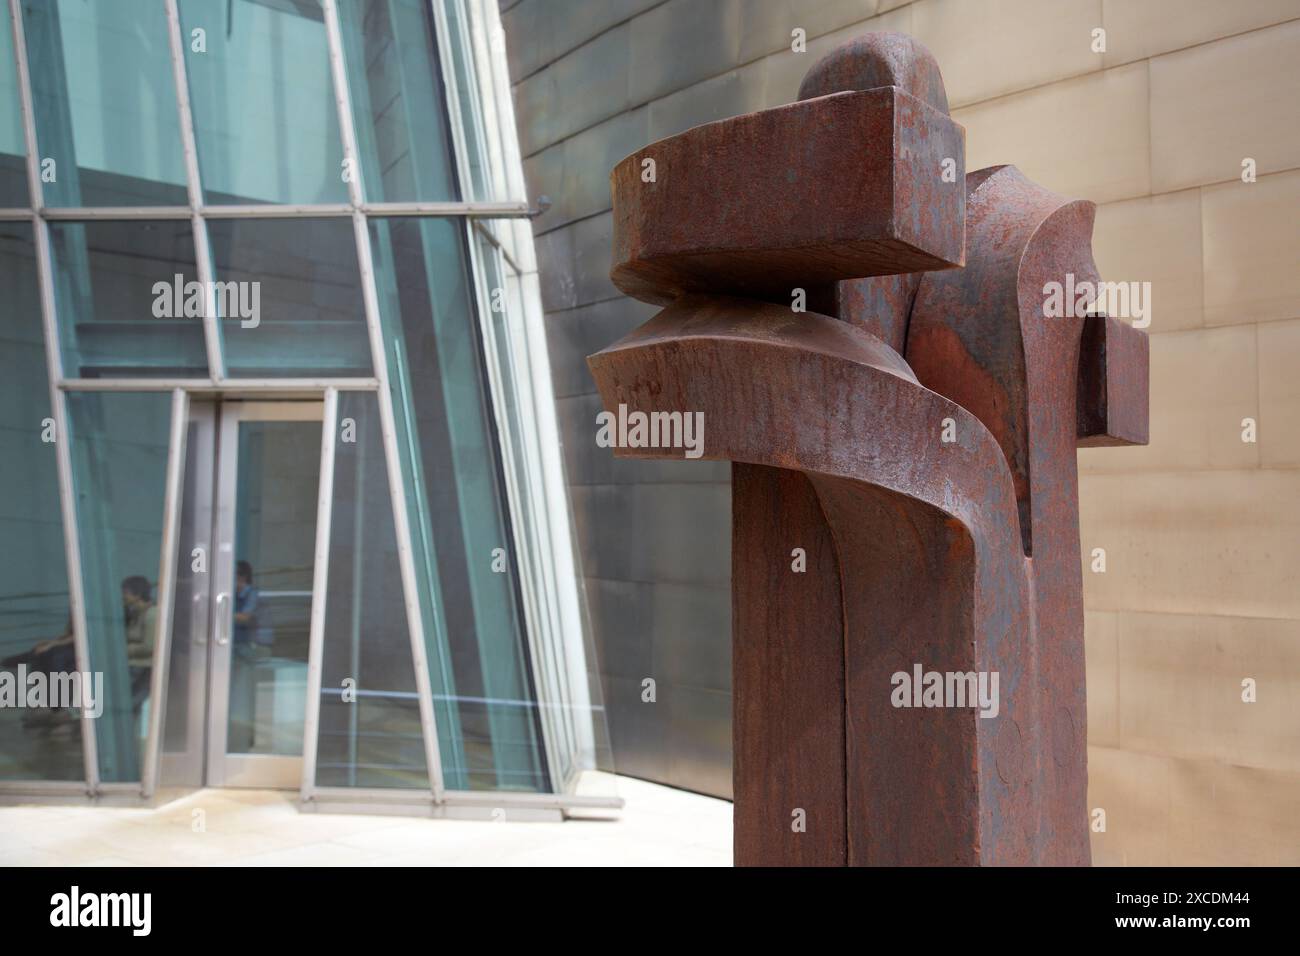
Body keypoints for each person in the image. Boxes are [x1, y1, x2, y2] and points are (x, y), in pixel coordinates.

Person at [121, 575, 156, 716]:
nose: (123, 597)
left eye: (126, 593)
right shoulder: (135, 614)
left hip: (142, 665)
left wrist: (122, 651)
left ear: (137, 594)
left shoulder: (152, 615)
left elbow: (149, 647)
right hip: (131, 662)